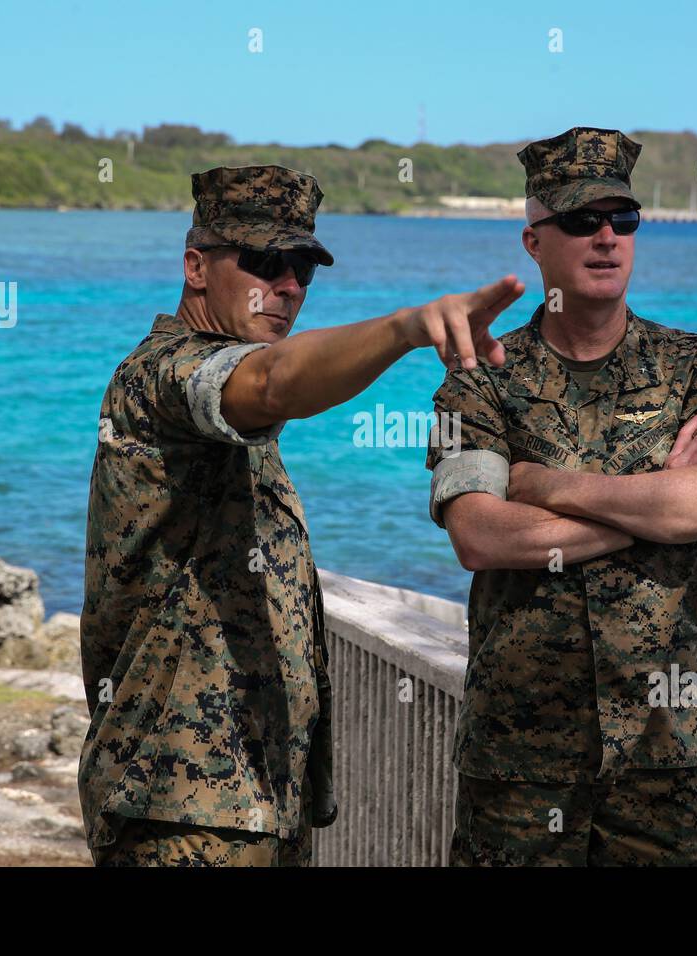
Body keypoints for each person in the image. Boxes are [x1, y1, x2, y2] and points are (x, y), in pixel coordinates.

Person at [80, 163, 524, 866]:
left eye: (302, 269)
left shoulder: (228, 402)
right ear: (196, 267)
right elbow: (275, 380)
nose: (286, 286)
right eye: (262, 262)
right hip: (180, 810)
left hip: (254, 801)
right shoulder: (161, 376)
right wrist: (407, 327)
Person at [426, 127, 697, 866]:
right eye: (581, 221)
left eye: (624, 219)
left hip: (665, 759)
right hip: (520, 763)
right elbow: (482, 536)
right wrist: (661, 507)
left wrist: (547, 485)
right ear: (533, 242)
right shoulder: (477, 379)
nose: (607, 237)